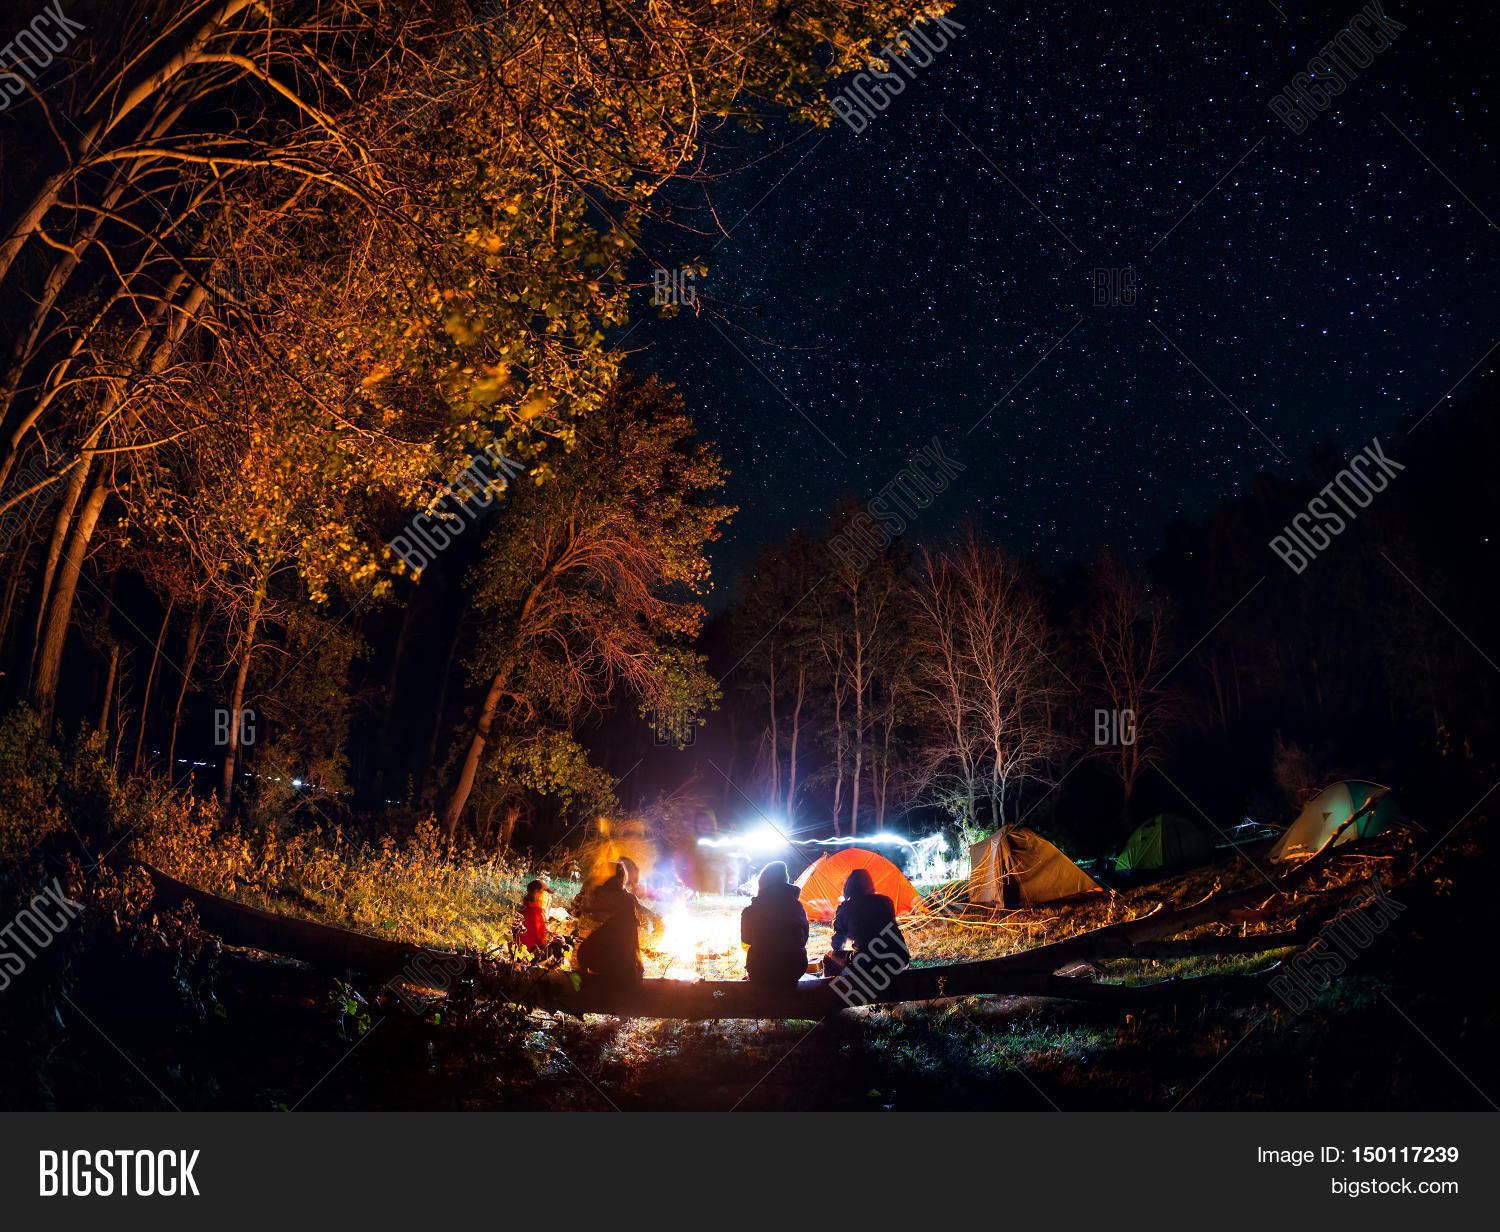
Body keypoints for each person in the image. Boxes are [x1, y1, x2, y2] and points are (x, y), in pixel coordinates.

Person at [825, 867, 909, 979]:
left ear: (848, 887)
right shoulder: (885, 901)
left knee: (829, 957)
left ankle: (832, 994)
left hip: (869, 962)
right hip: (899, 957)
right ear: (870, 884)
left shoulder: (844, 908)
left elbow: (837, 943)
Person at [739, 861, 810, 989]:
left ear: (762, 883)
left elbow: (746, 939)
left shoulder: (751, 911)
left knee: (755, 953)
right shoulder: (797, 907)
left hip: (761, 972)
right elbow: (803, 939)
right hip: (794, 970)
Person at [575, 862, 644, 986]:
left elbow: (579, 909)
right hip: (618, 967)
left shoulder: (619, 898)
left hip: (601, 963)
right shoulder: (625, 900)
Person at [515, 880, 552, 956]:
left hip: (517, 951)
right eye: (543, 893)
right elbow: (542, 938)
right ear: (536, 893)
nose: (545, 897)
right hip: (530, 953)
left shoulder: (522, 909)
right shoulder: (536, 912)